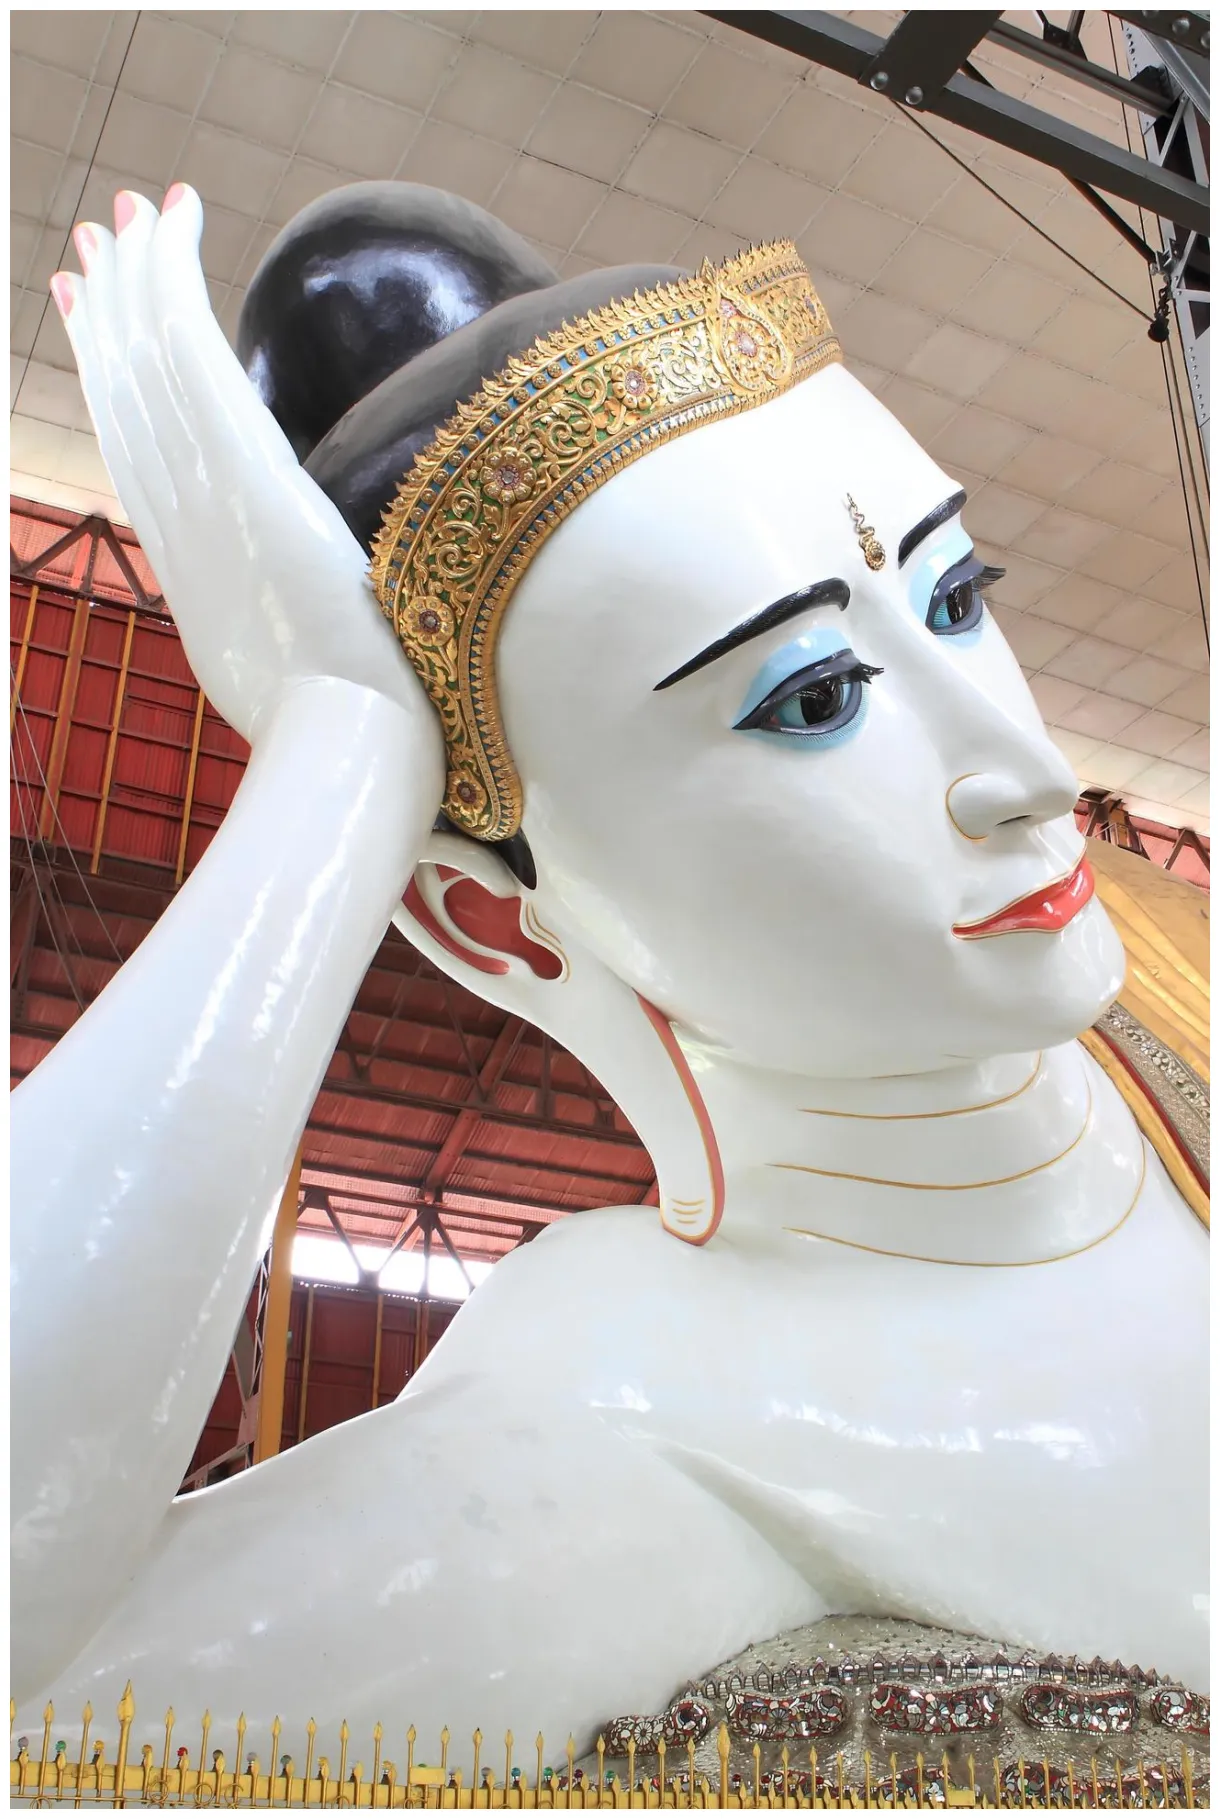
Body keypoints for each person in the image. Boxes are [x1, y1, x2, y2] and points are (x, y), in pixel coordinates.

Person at [11, 182, 1207, 1752]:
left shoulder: (1174, 970)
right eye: (811, 701)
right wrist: (344, 752)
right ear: (499, 920)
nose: (1023, 770)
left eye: (958, 598)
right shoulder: (635, 1412)